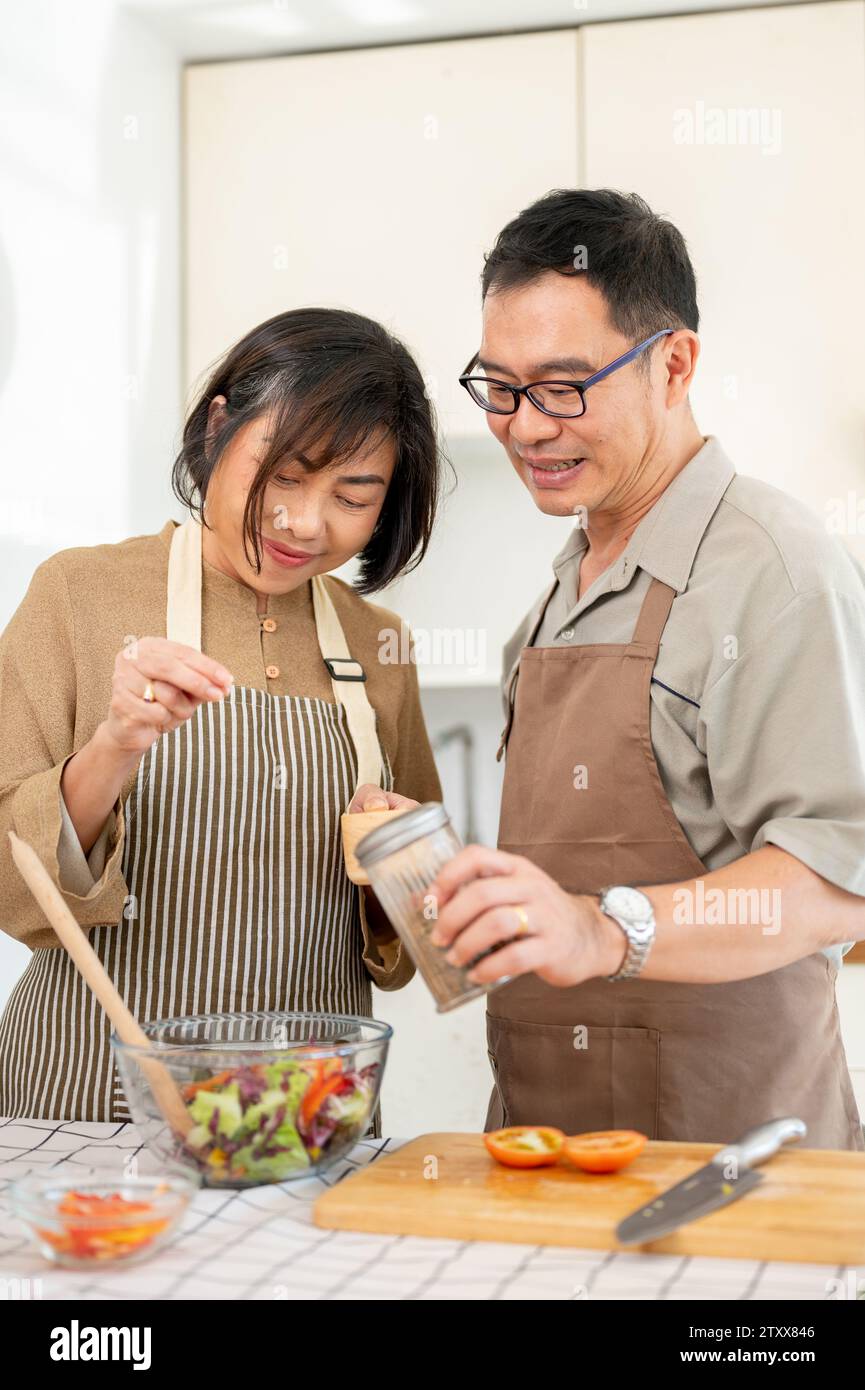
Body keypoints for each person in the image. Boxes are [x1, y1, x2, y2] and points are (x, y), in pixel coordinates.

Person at [429, 189, 865, 1149]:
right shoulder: (558, 595)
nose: (525, 427)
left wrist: (601, 930)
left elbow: (838, 877)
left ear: (673, 364)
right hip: (549, 1141)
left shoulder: (775, 572)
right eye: (498, 388)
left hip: (731, 1154)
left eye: (562, 385)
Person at [0, 306, 441, 1122]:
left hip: (301, 1113)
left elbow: (407, 946)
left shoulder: (380, 644)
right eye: (283, 474)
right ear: (216, 429)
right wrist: (114, 745)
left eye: (353, 495)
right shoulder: (77, 594)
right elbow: (5, 879)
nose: (304, 523)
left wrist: (395, 870)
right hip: (89, 1099)